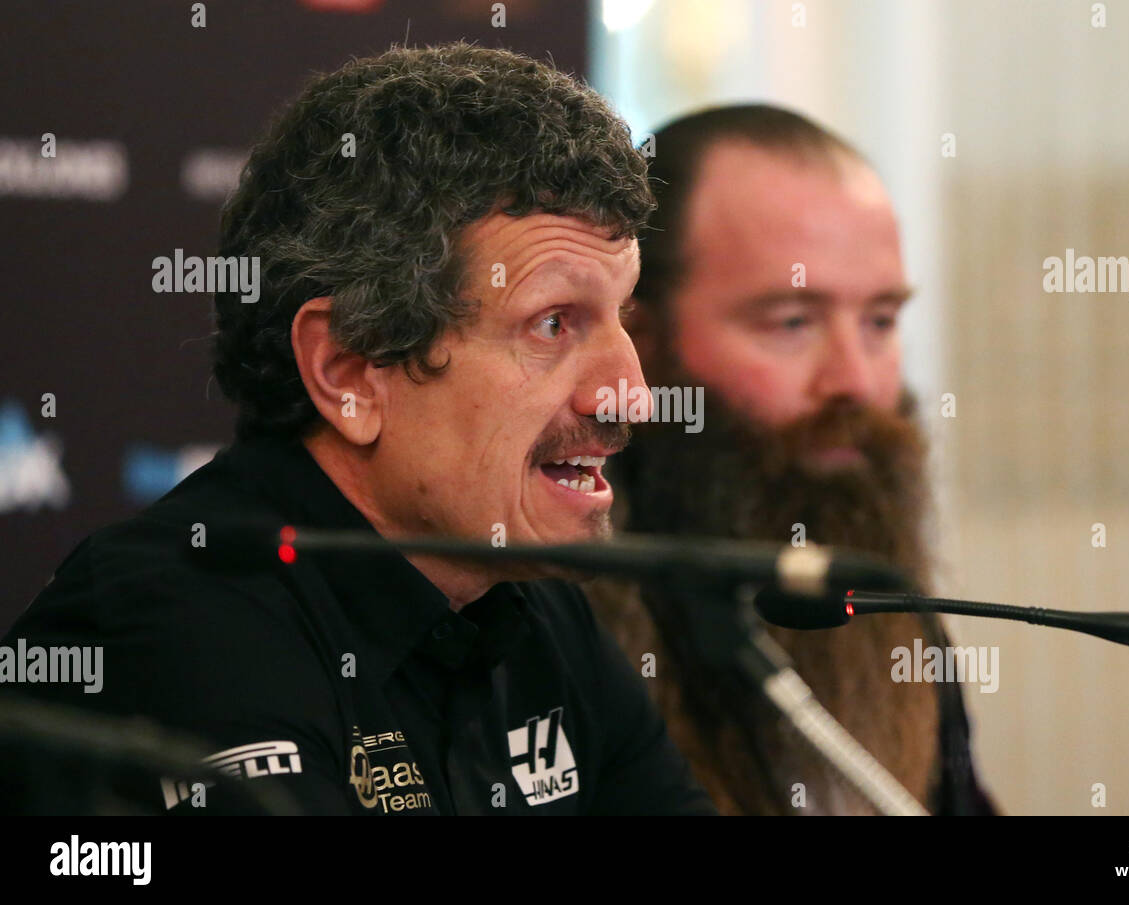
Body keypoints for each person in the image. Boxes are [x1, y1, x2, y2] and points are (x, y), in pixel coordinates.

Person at [0, 44, 715, 816]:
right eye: (552, 324)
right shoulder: (174, 628)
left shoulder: (534, 605)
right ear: (347, 373)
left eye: (623, 319)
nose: (632, 398)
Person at [588, 105, 997, 815]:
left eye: (880, 321)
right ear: (641, 340)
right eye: (793, 322)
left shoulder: (887, 602)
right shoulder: (559, 623)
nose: (857, 380)